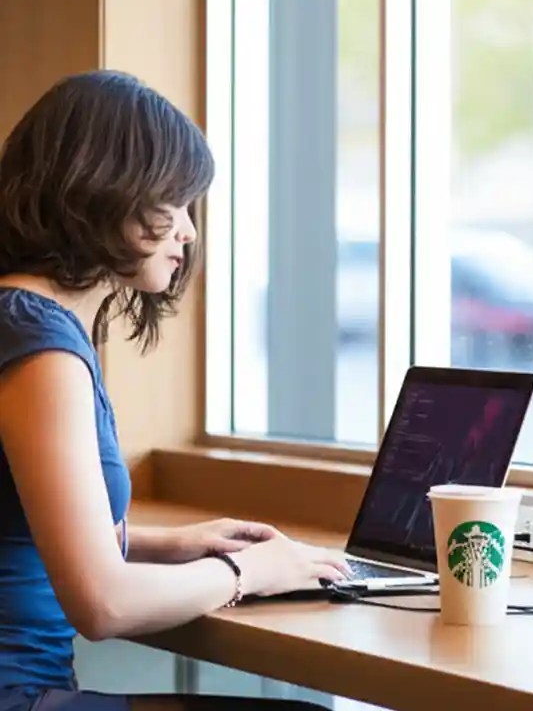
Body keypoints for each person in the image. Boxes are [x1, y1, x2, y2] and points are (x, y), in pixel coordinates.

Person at [0, 71, 353, 710]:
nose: (188, 232)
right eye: (175, 203)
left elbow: (20, 532)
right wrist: (247, 572)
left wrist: (173, 543)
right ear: (103, 192)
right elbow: (102, 605)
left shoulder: (21, 321)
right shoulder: (38, 347)